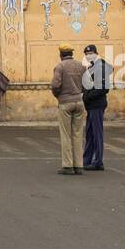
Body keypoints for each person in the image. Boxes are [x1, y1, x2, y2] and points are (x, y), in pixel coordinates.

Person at [50, 43, 87, 175]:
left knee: (66, 135)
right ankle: (79, 165)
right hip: (79, 102)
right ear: (72, 54)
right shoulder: (81, 66)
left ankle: (68, 165)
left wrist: (59, 96)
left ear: (61, 55)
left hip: (65, 103)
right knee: (78, 134)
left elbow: (55, 85)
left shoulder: (60, 66)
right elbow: (86, 85)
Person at [82, 44, 113, 172]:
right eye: (86, 54)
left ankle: (98, 161)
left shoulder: (100, 67)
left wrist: (88, 97)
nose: (88, 56)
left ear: (96, 53)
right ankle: (87, 160)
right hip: (91, 106)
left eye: (90, 53)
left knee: (97, 134)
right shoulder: (93, 67)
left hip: (96, 104)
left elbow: (104, 88)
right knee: (89, 134)